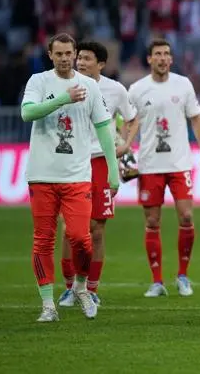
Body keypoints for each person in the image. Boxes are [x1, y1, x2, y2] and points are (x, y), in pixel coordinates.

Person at [21, 33, 120, 322]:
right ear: (50, 55)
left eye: (68, 53)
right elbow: (27, 113)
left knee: (81, 238)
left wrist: (113, 169)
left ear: (75, 54)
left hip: (77, 176)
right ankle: (48, 305)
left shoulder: (89, 86)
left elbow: (103, 127)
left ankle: (80, 286)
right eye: (59, 54)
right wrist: (64, 98)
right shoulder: (38, 82)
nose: (64, 58)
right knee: (43, 240)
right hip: (42, 174)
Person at [128, 39, 200, 298]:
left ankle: (183, 276)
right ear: (149, 59)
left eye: (166, 54)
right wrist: (124, 155)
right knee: (152, 221)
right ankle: (157, 282)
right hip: (149, 165)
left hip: (179, 164)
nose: (163, 58)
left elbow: (196, 119)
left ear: (171, 59)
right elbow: (127, 123)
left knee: (186, 216)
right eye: (158, 54)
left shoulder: (183, 84)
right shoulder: (137, 89)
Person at [58, 41, 138, 308]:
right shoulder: (65, 85)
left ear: (101, 64)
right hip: (72, 162)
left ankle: (91, 288)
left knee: (97, 229)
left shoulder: (115, 89)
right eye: (79, 57)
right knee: (69, 228)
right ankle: (69, 288)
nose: (80, 62)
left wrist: (126, 144)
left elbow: (132, 118)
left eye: (87, 58)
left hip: (102, 162)